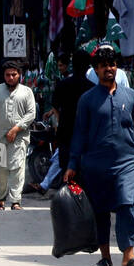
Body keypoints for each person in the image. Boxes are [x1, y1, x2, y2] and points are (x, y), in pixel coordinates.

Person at [64, 44, 134, 266]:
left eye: (112, 64)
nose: (109, 68)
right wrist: (72, 164)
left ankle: (128, 256)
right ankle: (105, 257)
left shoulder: (130, 96)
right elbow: (79, 134)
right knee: (101, 210)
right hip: (95, 164)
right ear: (96, 69)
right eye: (104, 65)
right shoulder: (87, 100)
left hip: (127, 161)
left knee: (127, 203)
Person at [0, 60, 37, 211]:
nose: (11, 78)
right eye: (8, 75)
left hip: (19, 138)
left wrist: (15, 129)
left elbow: (31, 114)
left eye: (14, 74)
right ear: (3, 76)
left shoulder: (26, 92)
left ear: (19, 75)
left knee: (17, 168)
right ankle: (0, 199)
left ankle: (15, 201)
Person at [36, 53, 92, 196]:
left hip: (66, 132)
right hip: (85, 135)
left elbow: (55, 106)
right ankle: (81, 197)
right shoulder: (92, 87)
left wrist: (61, 121)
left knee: (66, 167)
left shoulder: (63, 84)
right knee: (83, 171)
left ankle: (70, 197)